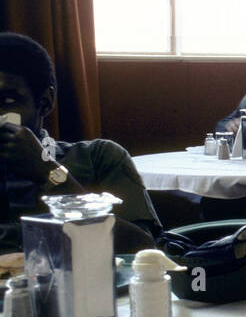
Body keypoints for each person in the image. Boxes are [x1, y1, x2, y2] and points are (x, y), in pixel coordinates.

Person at [0, 33, 159, 253]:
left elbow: (144, 250)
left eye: (6, 101)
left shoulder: (98, 158)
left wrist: (48, 172)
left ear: (45, 102)